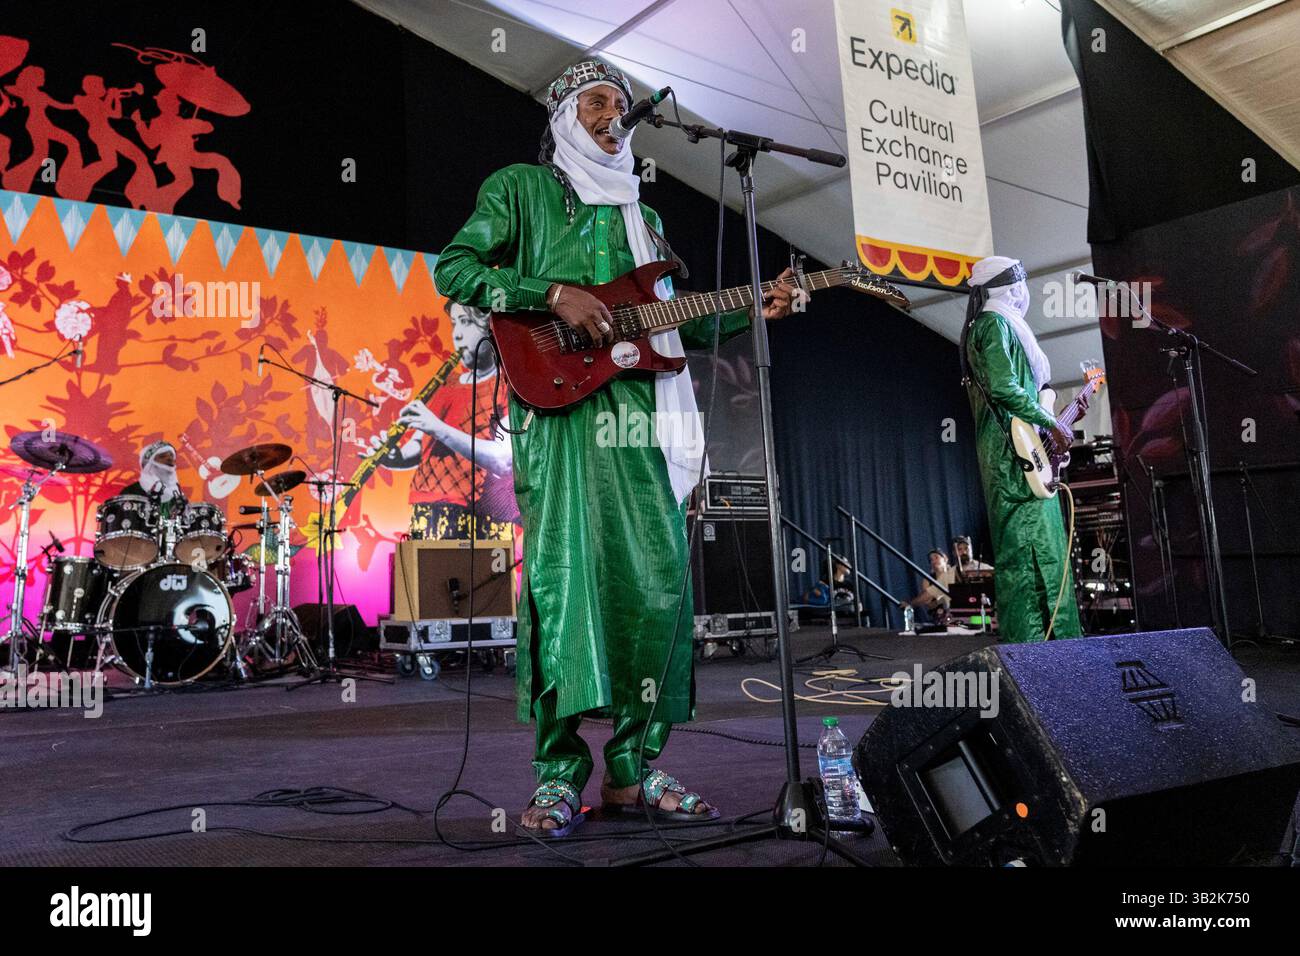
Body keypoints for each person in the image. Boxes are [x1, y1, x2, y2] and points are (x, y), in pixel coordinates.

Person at [433, 58, 800, 835]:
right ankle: (560, 775)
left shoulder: (649, 221)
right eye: (598, 100)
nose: (614, 113)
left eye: (623, 104)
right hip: (558, 417)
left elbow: (674, 326)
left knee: (656, 585)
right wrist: (548, 293)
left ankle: (636, 771)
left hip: (643, 421)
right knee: (566, 585)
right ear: (565, 113)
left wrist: (754, 309)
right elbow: (455, 269)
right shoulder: (522, 190)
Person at [961, 255, 1082, 643]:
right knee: (1026, 560)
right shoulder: (994, 324)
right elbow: (1003, 388)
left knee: (1045, 553)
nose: (1023, 291)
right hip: (1010, 460)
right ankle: (1033, 657)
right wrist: (1051, 424)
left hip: (1025, 453)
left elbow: (1025, 391)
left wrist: (1050, 411)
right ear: (1009, 288)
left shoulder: (1003, 325)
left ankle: (1062, 653)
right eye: (1020, 284)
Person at [374, 301, 516, 540]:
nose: (457, 334)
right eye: (454, 324)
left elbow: (502, 460)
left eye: (466, 322)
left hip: (480, 516)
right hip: (427, 509)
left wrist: (438, 428)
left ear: (490, 328)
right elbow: (419, 446)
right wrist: (396, 457)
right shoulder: (447, 383)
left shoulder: (507, 386)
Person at [116, 440, 188, 519]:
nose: (169, 459)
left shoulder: (179, 497)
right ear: (149, 464)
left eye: (171, 456)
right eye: (162, 456)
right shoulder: (130, 492)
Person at [908, 549, 955, 618]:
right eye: (931, 560)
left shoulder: (954, 572)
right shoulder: (927, 579)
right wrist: (943, 599)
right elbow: (929, 604)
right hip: (940, 615)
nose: (933, 561)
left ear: (945, 558)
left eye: (936, 557)